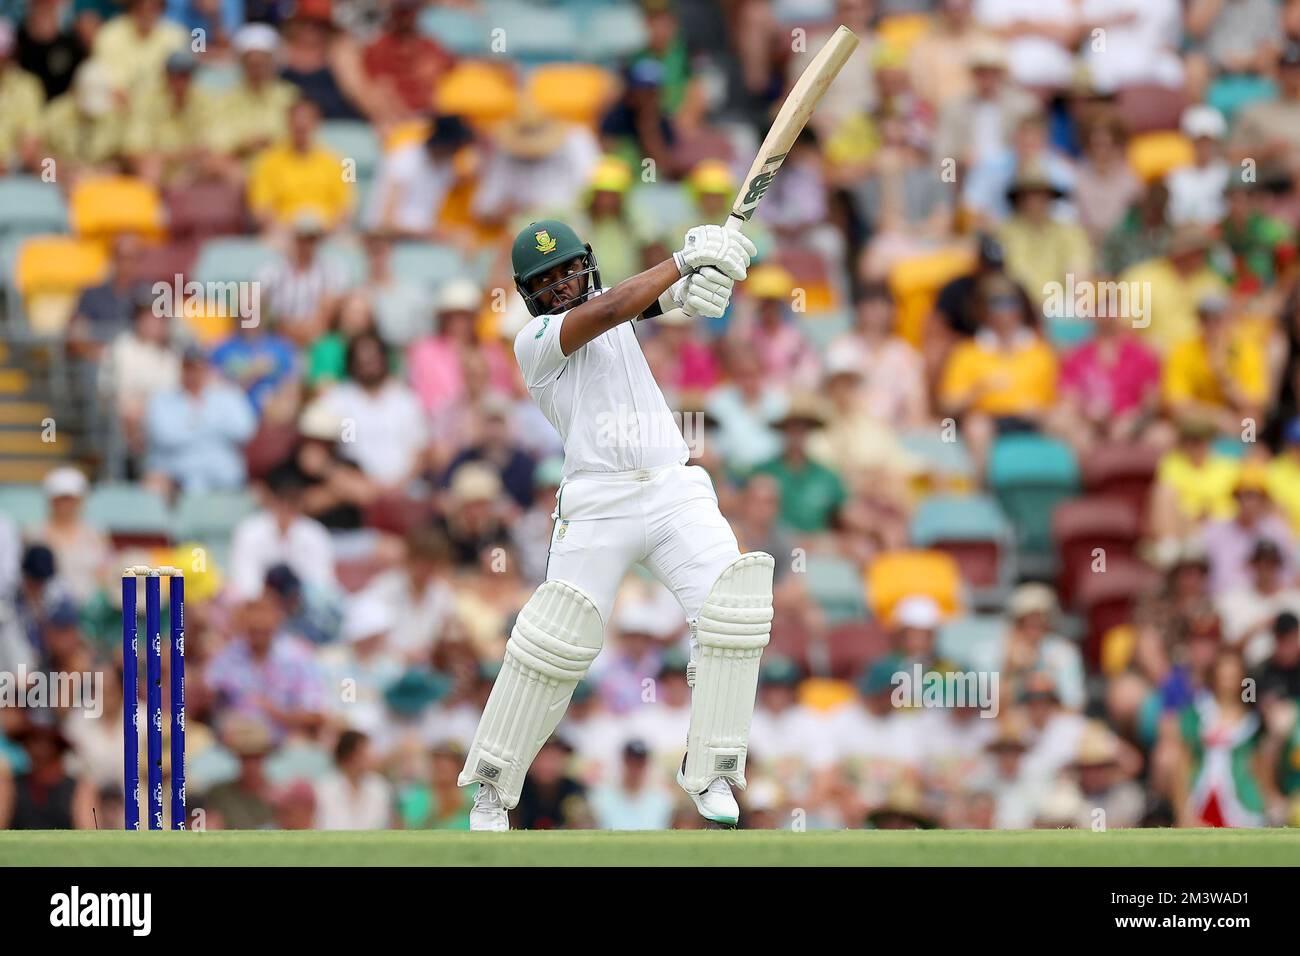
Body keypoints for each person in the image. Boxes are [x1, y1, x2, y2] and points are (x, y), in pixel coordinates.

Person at [457, 217, 771, 831]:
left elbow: (644, 303)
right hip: (597, 502)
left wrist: (697, 285)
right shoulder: (538, 339)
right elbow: (609, 310)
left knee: (734, 608)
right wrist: (683, 262)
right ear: (529, 295)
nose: (561, 286)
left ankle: (713, 769)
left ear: (587, 263)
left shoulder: (615, 307)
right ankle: (493, 789)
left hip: (673, 486)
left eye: (569, 270)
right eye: (545, 282)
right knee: (555, 644)